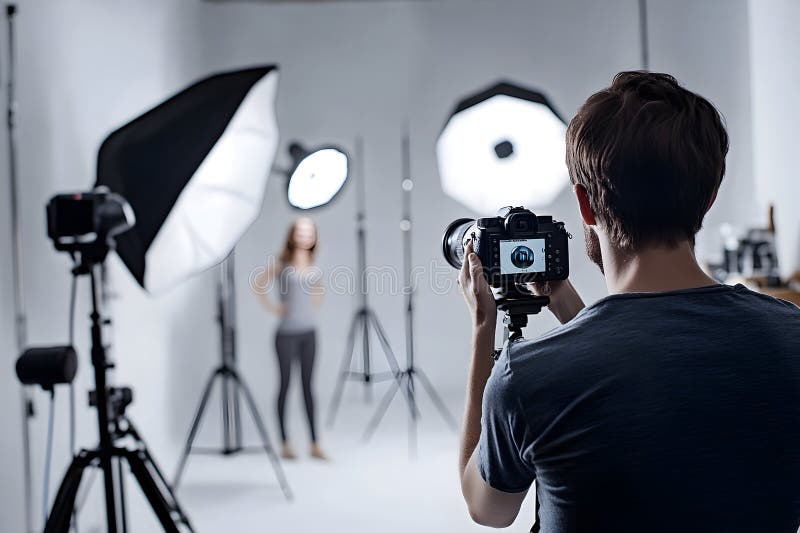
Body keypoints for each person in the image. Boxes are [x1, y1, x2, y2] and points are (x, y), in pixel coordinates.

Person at [457, 72, 800, 532]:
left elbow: (487, 508)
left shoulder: (528, 378)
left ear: (584, 204)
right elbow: (640, 366)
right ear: (708, 198)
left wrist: (484, 330)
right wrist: (564, 302)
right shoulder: (790, 336)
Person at [256, 217, 328, 461]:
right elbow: (259, 284)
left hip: (309, 333)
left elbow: (318, 288)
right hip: (286, 335)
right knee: (286, 385)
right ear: (292, 235)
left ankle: (314, 442)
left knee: (308, 388)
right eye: (301, 232)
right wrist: (274, 307)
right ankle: (285, 442)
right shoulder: (282, 263)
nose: (305, 236)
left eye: (310, 232)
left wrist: (315, 301)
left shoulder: (313, 264)